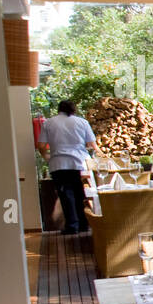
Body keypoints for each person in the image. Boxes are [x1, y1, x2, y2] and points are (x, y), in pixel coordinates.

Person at [37, 100, 98, 234]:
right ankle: (84, 224)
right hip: (80, 163)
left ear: (59, 110)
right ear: (74, 109)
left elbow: (41, 146)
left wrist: (46, 157)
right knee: (81, 194)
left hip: (59, 164)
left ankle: (72, 226)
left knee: (66, 195)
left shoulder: (49, 123)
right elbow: (92, 145)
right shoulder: (82, 122)